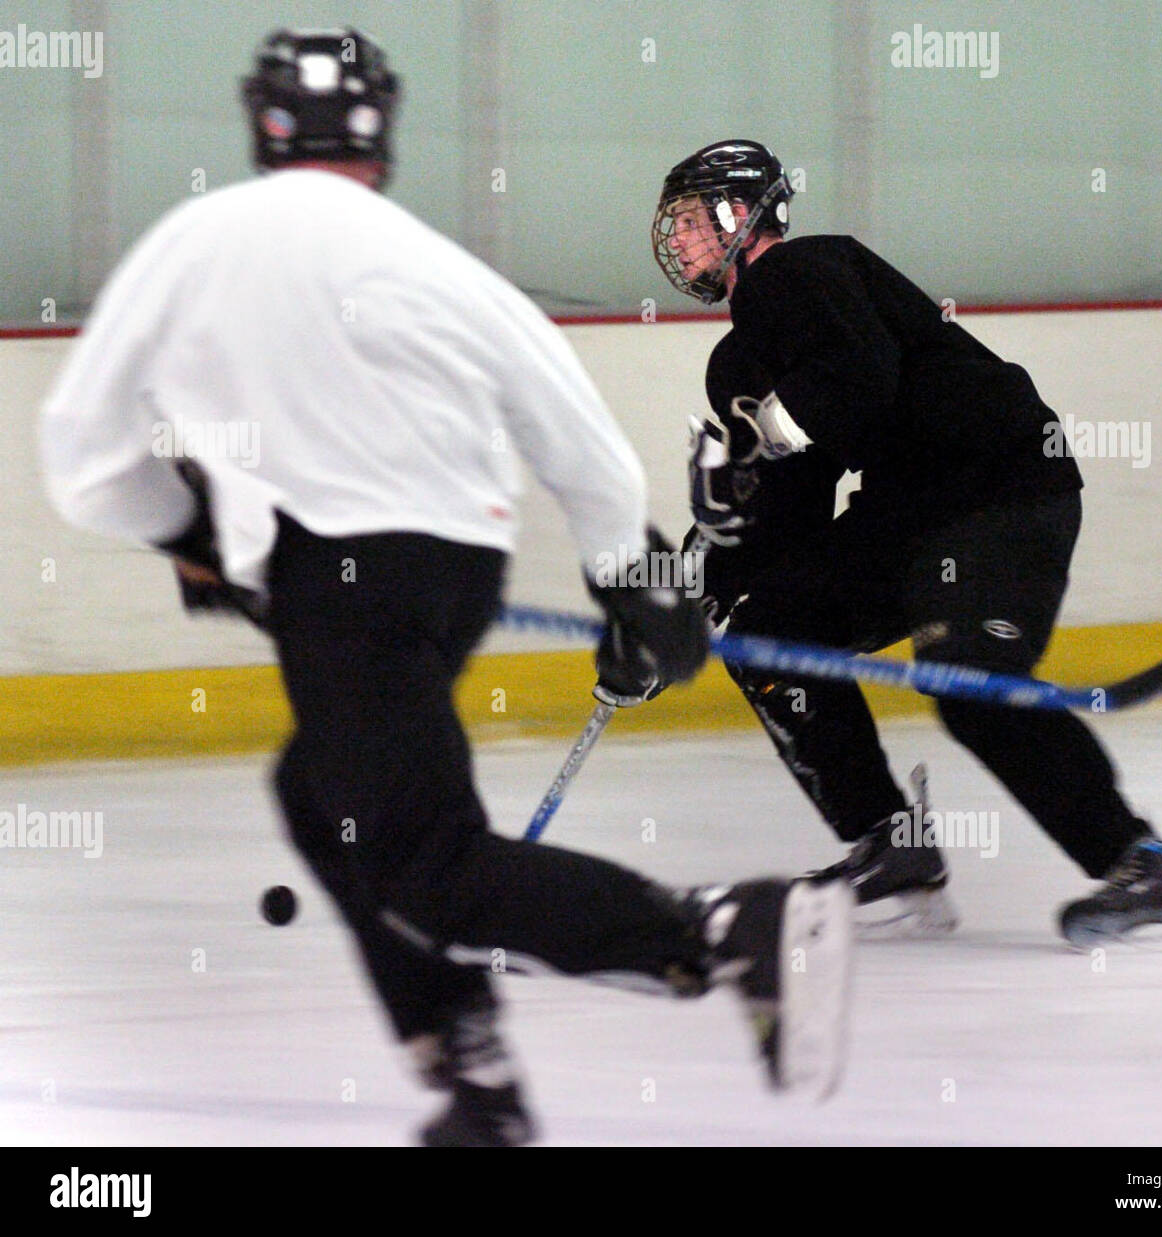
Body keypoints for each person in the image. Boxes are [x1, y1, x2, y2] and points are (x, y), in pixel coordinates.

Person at [39, 40, 853, 1148]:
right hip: (456, 569)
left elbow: (83, 457)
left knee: (426, 863)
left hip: (335, 573)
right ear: (380, 136)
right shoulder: (432, 260)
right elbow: (574, 430)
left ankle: (718, 930)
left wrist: (188, 532)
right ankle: (469, 1064)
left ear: (261, 127)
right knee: (319, 798)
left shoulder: (197, 241)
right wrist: (628, 576)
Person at [596, 137, 1162, 947]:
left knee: (966, 684)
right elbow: (785, 509)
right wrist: (687, 593)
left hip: (999, 484)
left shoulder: (807, 269)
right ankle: (892, 846)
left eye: (686, 220)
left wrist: (763, 440)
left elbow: (860, 377)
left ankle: (1141, 864)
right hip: (909, 516)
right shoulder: (739, 361)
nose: (675, 241)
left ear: (736, 214)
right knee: (770, 629)